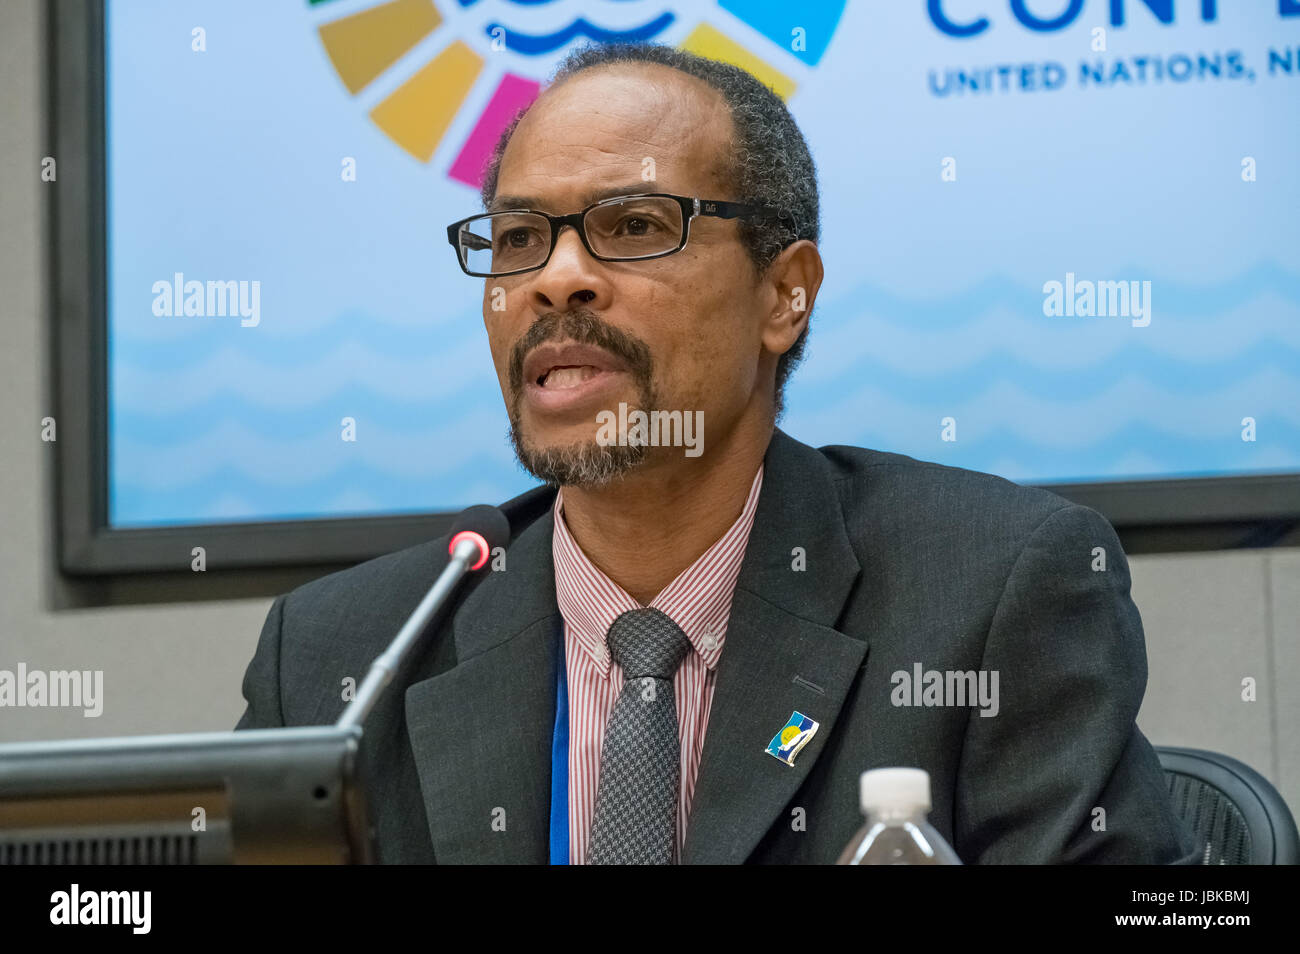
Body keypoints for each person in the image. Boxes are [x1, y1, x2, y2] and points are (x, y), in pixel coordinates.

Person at [237, 43, 1200, 865]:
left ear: (785, 294)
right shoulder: (344, 656)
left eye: (635, 227)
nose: (557, 280)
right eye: (520, 238)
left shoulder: (989, 593)